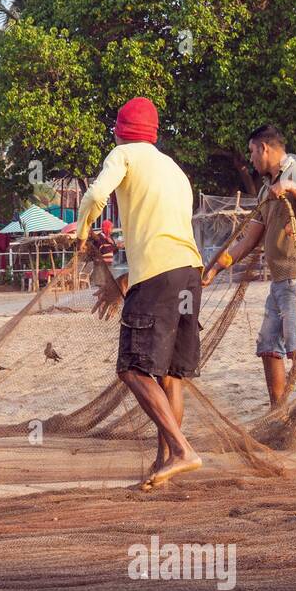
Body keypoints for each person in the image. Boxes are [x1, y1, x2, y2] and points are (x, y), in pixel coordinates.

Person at [76, 97, 205, 489]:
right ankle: (164, 464)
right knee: (171, 375)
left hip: (159, 276)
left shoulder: (123, 154)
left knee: (132, 367)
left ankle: (182, 450)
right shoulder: (174, 170)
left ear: (119, 131)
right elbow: (162, 232)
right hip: (189, 271)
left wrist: (82, 233)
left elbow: (95, 196)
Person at [202, 126, 296, 441]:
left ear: (264, 148)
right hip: (279, 281)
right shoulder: (266, 190)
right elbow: (249, 239)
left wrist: (292, 188)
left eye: (251, 152)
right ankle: (280, 419)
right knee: (269, 349)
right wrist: (215, 269)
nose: (250, 159)